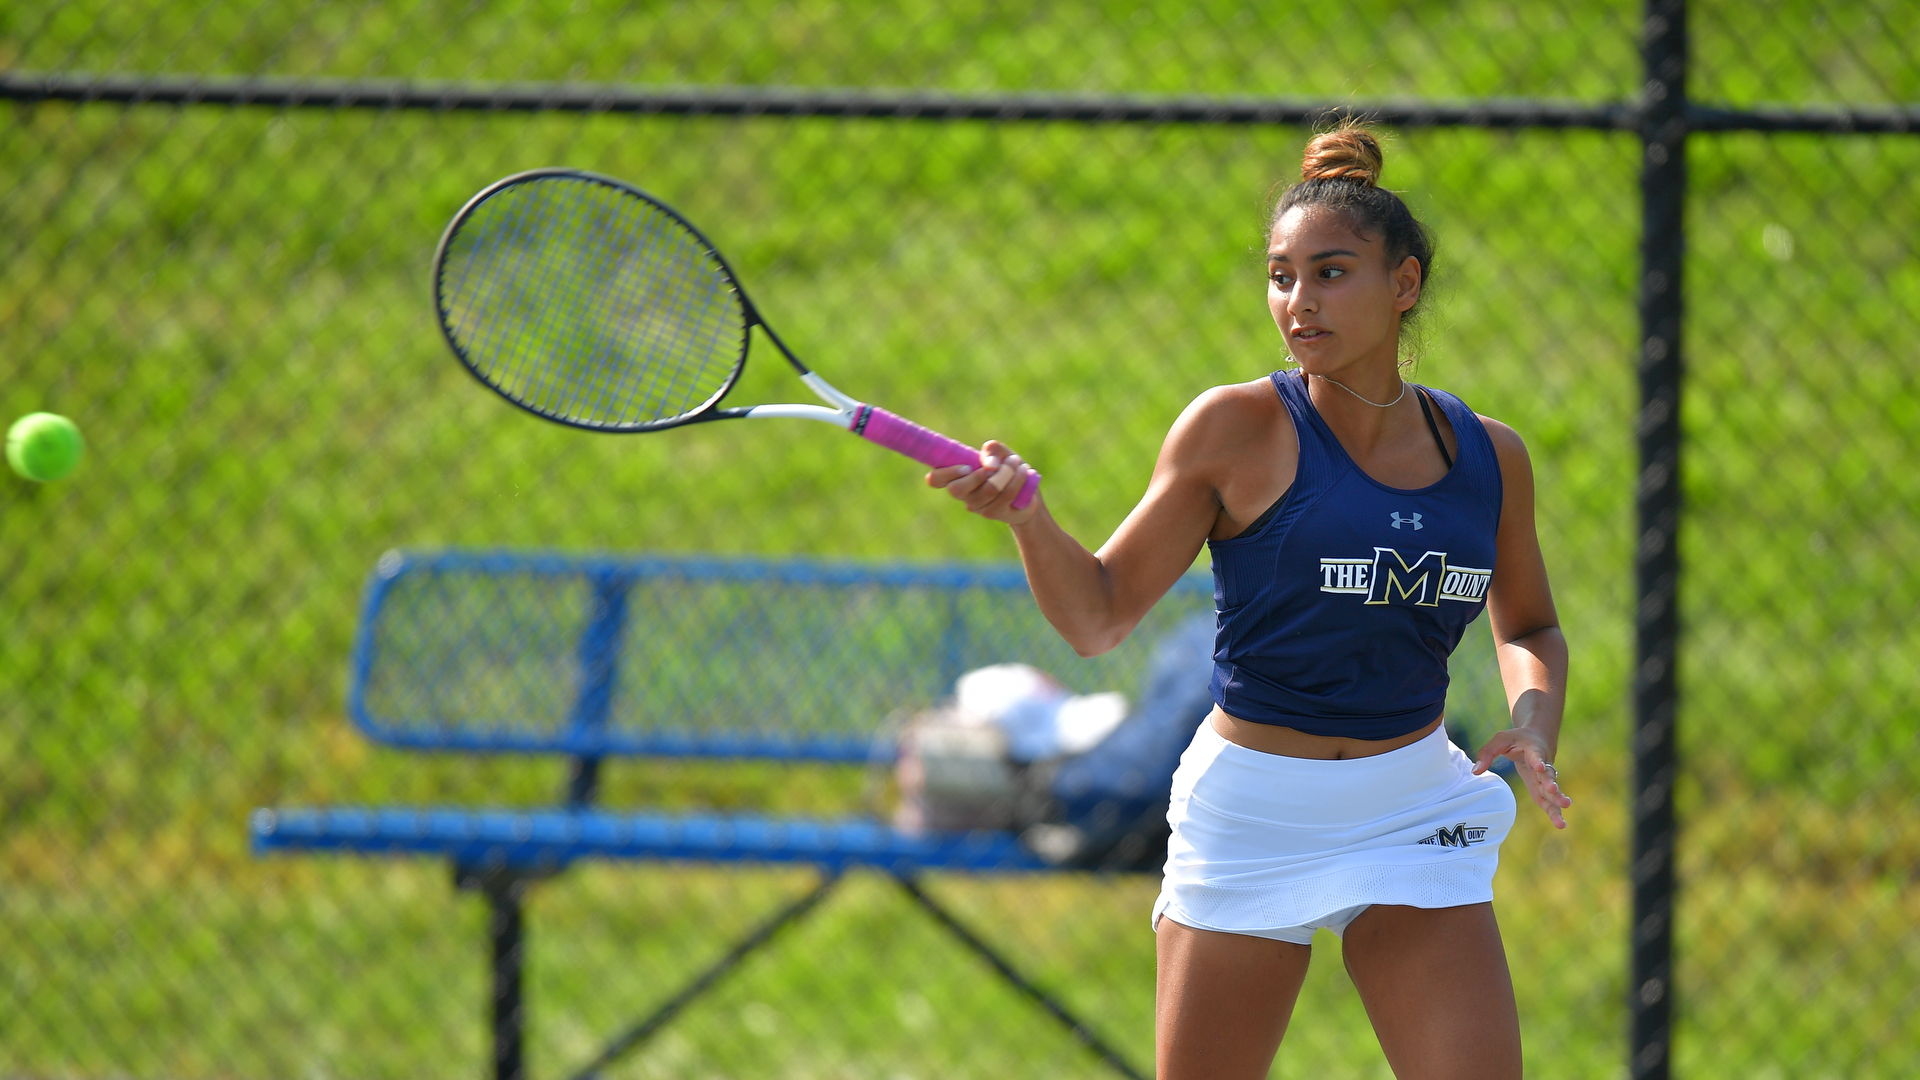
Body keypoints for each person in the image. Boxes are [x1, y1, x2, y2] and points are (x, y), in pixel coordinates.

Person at [926, 123, 1571, 1079]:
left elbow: (1531, 624)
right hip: (1256, 815)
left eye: (1331, 272)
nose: (1297, 302)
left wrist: (1532, 724)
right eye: (1280, 276)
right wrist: (1028, 515)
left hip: (1412, 805)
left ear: (1406, 285)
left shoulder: (1489, 454)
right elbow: (1098, 616)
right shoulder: (1235, 429)